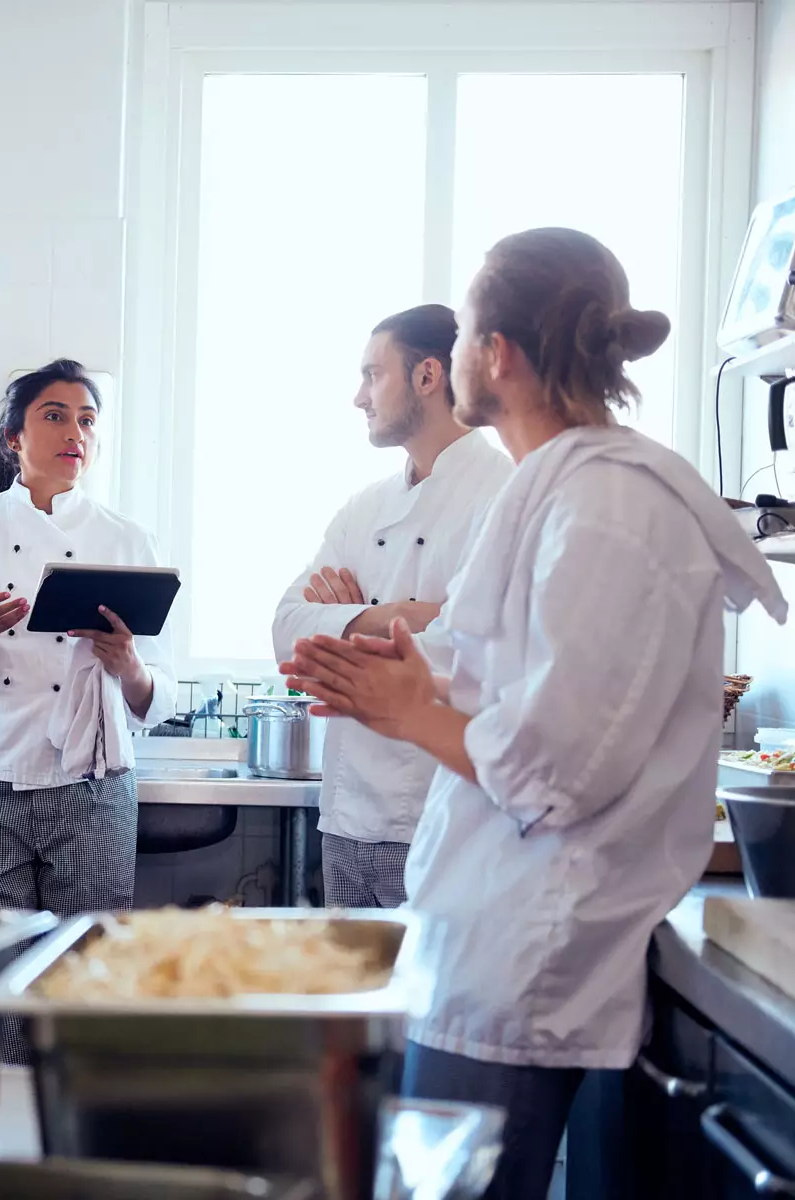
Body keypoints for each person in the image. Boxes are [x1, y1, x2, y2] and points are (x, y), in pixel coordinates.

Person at [281, 228, 787, 1200]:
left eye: (466, 329)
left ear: (494, 354)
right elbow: (484, 662)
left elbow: (559, 764)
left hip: (529, 949)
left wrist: (407, 707)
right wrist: (401, 665)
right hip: (481, 931)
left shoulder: (606, 508)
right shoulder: (551, 491)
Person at [0, 359, 175, 1050]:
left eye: (87, 419)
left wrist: (128, 663)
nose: (73, 430)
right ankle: (3, 1130)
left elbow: (157, 695)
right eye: (54, 414)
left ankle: (72, 1127)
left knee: (88, 978)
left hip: (93, 784)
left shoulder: (127, 539)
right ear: (12, 439)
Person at [272, 305, 511, 908]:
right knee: (348, 999)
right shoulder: (364, 507)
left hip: (441, 813)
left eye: (372, 374)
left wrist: (346, 632)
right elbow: (287, 630)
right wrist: (397, 615)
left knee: (432, 998)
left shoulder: (504, 493)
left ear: (427, 376)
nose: (359, 396)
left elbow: (477, 652)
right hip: (347, 815)